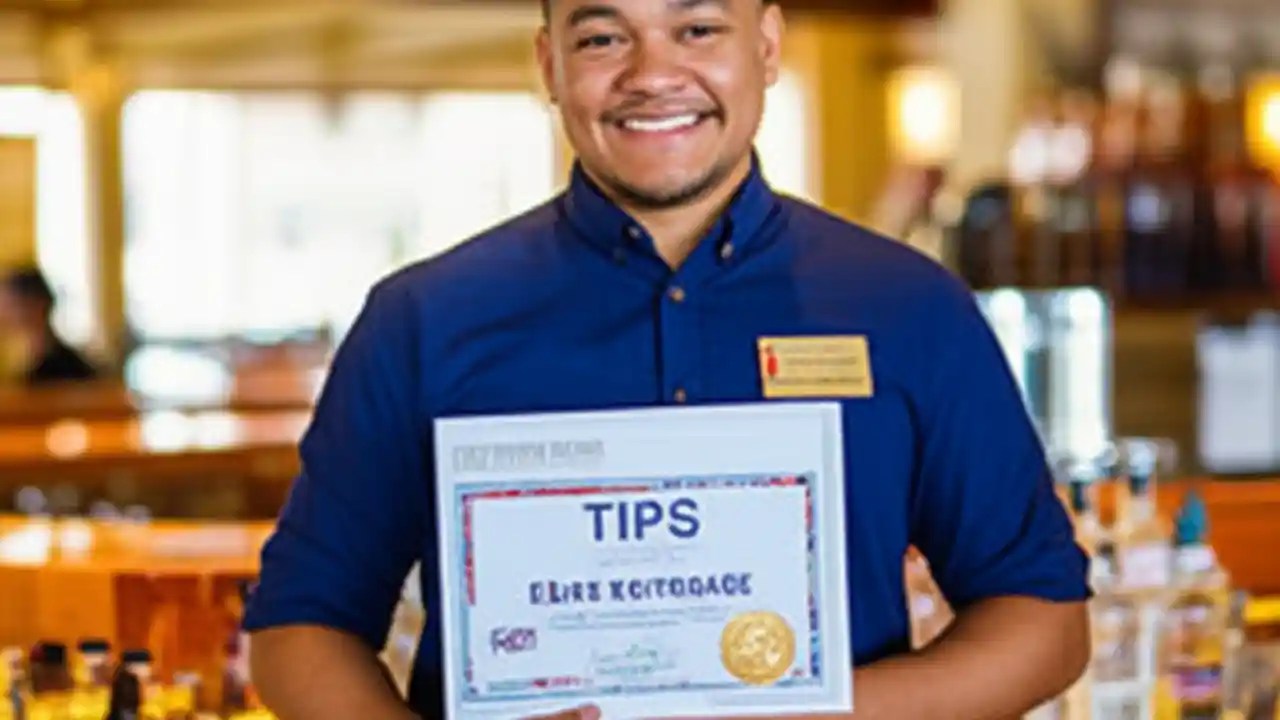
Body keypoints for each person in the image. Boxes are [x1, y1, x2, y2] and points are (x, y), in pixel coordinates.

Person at [244, 1, 1092, 719]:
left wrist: (815, 713)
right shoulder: (421, 321)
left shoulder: (910, 308)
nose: (652, 74)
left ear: (765, 46)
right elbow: (300, 630)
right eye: (603, 37)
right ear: (550, 64)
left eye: (697, 30)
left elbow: (1043, 620)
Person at [0, 266, 97, 386]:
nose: (3, 313)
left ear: (36, 305)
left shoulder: (65, 370)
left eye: (9, 305)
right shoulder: (23, 362)